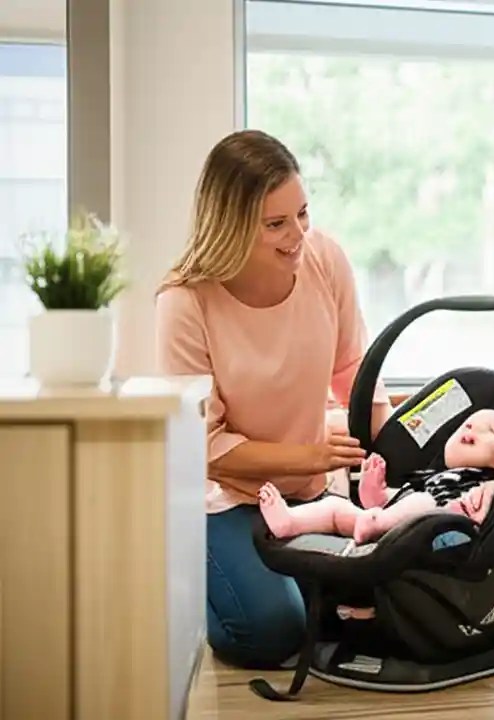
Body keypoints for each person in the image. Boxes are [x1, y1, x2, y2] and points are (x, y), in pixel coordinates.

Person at [154, 129, 393, 670]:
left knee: (376, 595)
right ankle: (204, 590)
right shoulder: (185, 302)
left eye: (303, 213)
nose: (298, 235)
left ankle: (289, 590)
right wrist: (311, 455)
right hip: (228, 499)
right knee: (272, 632)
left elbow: (351, 366)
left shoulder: (324, 259)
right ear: (231, 224)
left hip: (307, 495)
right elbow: (205, 445)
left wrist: (393, 448)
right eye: (276, 224)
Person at [256, 408, 494, 544]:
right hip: (388, 522)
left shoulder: (489, 483)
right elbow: (404, 500)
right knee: (336, 506)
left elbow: (490, 508)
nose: (473, 427)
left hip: (437, 532)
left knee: (426, 503)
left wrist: (493, 492)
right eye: (469, 423)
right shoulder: (435, 477)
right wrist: (378, 492)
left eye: (492, 431)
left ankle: (380, 521)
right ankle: (290, 522)